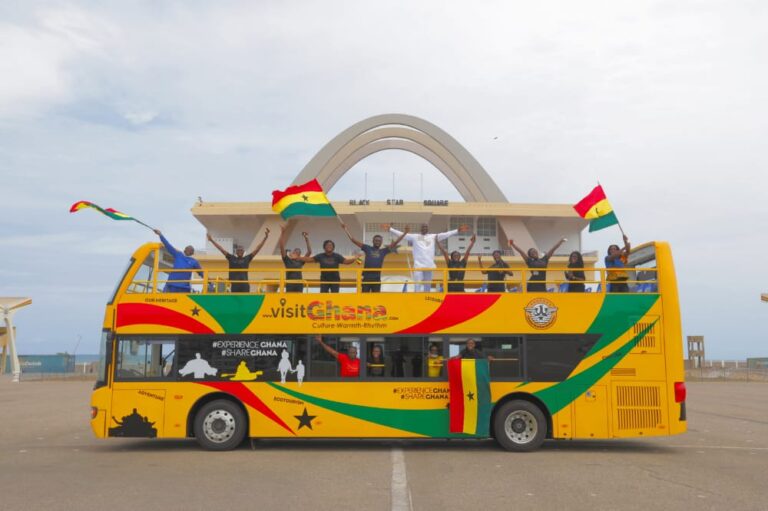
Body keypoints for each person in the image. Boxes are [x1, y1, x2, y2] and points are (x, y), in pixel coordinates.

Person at [387, 223, 469, 292]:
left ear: (428, 229)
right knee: (417, 285)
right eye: (423, 227)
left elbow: (446, 234)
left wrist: (457, 230)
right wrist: (390, 229)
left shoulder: (433, 236)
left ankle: (426, 300)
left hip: (429, 265)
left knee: (427, 286)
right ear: (421, 229)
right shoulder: (414, 236)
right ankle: (416, 300)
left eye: (426, 227)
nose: (424, 228)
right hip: (418, 265)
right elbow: (402, 234)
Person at [340, 222, 407, 292]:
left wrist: (405, 233)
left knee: (375, 299)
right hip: (366, 278)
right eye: (376, 240)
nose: (377, 242)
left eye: (379, 241)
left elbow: (395, 243)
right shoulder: (367, 248)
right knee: (365, 298)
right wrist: (345, 229)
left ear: (381, 242)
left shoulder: (383, 251)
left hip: (376, 278)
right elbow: (353, 240)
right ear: (373, 241)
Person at [207, 229, 269, 293]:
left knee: (245, 302)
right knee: (235, 302)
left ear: (243, 252)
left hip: (245, 285)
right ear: (236, 252)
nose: (239, 251)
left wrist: (265, 238)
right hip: (235, 285)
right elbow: (221, 249)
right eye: (238, 250)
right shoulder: (231, 258)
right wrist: (212, 240)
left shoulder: (247, 258)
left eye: (241, 250)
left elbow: (257, 249)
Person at [278, 225, 311, 293]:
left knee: (298, 301)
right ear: (292, 253)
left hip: (299, 284)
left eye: (298, 252)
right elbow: (281, 247)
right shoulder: (287, 260)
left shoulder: (300, 261)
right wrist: (282, 233)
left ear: (299, 255)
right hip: (290, 284)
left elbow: (309, 252)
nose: (296, 253)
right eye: (295, 251)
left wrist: (306, 238)